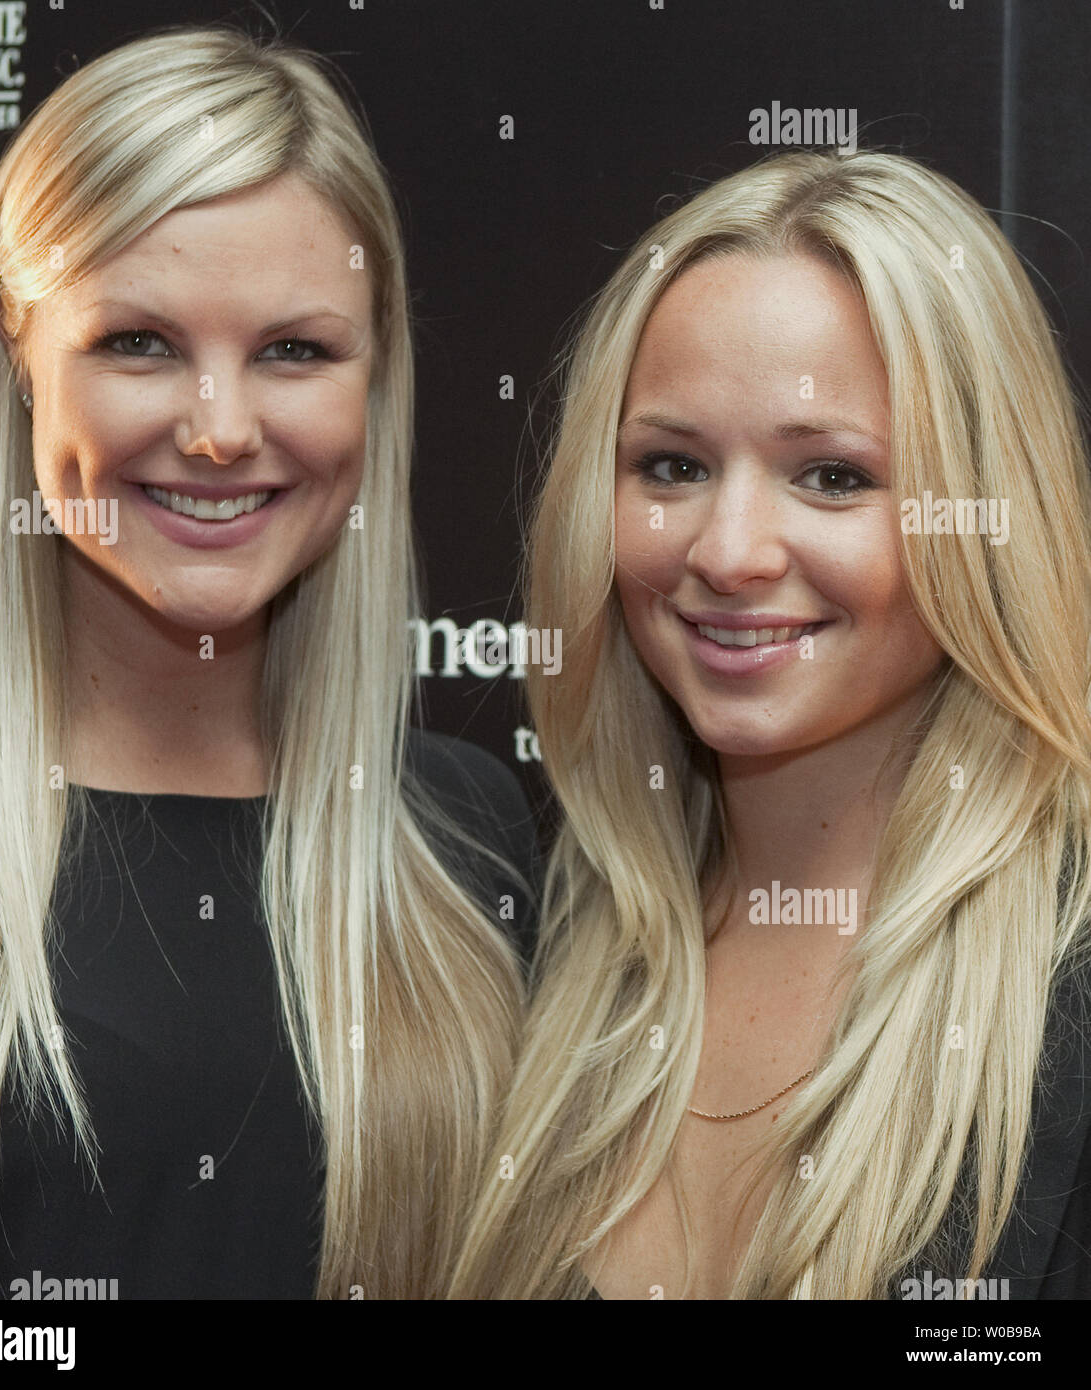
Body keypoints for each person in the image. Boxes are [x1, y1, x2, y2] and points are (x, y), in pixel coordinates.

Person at [0, 25, 535, 1300]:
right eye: (138, 341)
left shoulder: (466, 834)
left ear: (375, 380)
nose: (219, 429)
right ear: (18, 356)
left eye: (295, 351)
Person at [449, 150, 1091, 1299]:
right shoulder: (548, 942)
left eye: (833, 477)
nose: (729, 550)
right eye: (673, 464)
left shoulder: (1065, 972)